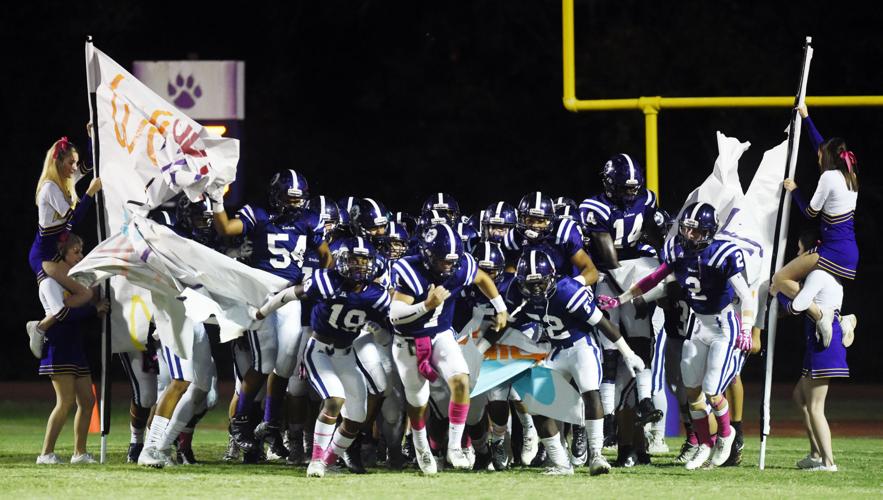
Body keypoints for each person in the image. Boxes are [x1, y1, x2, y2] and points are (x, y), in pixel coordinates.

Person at [599, 202, 754, 470]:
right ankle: (704, 444)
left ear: (709, 232)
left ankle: (726, 436)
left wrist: (747, 327)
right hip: (697, 324)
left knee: (712, 390)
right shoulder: (677, 251)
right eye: (686, 229)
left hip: (723, 324)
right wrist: (620, 299)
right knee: (692, 392)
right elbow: (652, 279)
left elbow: (746, 294)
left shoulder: (723, 253)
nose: (689, 235)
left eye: (696, 231)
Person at [388, 223, 507, 474]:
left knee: (461, 380)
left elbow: (482, 278)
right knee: (418, 400)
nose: (449, 266)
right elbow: (395, 316)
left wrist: (500, 307)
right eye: (444, 261)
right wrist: (426, 305)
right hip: (409, 341)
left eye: (453, 261)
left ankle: (454, 447)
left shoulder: (461, 265)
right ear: (428, 255)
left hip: (441, 334)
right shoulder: (410, 269)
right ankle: (421, 446)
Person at [774, 103, 858, 342]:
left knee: (780, 279)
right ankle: (840, 320)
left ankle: (820, 315)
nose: (817, 157)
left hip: (833, 251)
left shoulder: (828, 177)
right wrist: (807, 118)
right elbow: (822, 146)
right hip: (847, 252)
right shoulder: (850, 176)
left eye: (820, 155)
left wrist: (794, 190)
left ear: (827, 157)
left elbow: (810, 212)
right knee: (818, 288)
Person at [778, 230, 849, 472]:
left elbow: (799, 305)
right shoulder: (829, 275)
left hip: (823, 344)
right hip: (817, 342)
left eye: (800, 250)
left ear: (810, 253)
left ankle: (828, 463)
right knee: (800, 397)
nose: (798, 255)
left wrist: (779, 294)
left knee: (816, 407)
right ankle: (815, 454)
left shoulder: (819, 273)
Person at [36, 233, 109, 465]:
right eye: (75, 252)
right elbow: (62, 314)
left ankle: (79, 453)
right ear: (62, 254)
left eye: (81, 251)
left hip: (75, 344)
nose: (80, 255)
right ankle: (45, 454)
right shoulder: (49, 281)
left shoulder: (72, 281)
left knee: (87, 401)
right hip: (58, 345)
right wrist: (93, 309)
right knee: (65, 401)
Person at [27, 137, 102, 358]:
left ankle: (43, 325)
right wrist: (90, 193)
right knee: (84, 293)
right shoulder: (50, 187)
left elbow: (89, 166)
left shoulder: (65, 180)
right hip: (44, 256)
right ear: (58, 162)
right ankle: (40, 328)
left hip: (54, 253)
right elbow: (74, 219)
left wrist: (91, 137)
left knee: (84, 289)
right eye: (71, 162)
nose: (74, 167)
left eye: (75, 162)